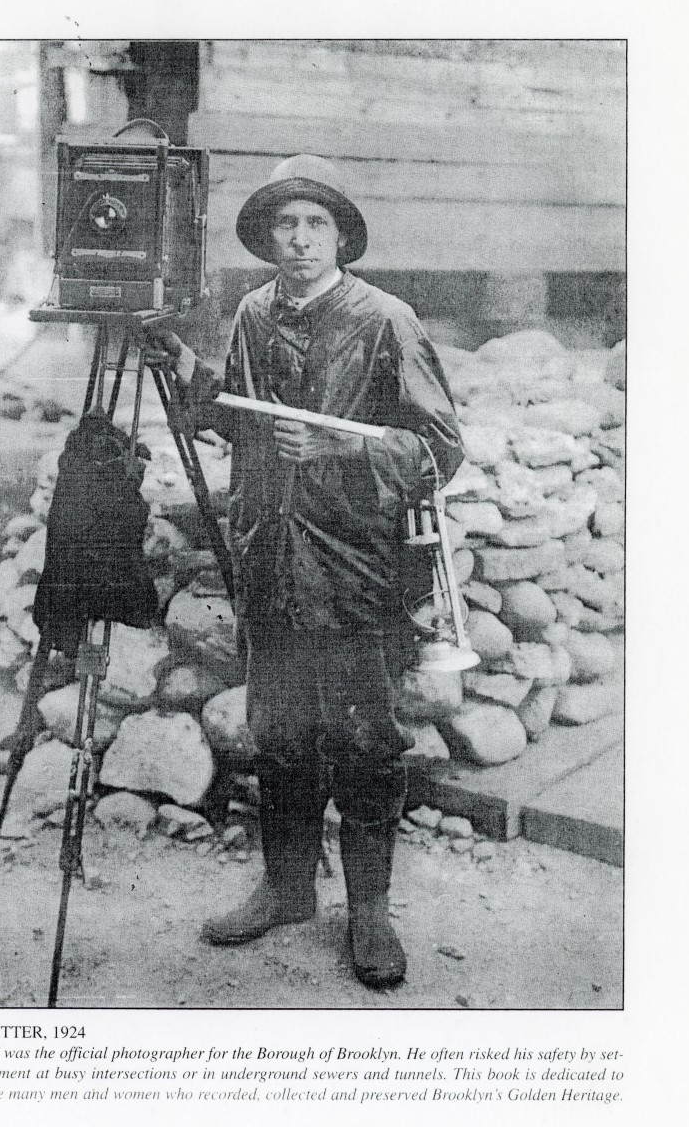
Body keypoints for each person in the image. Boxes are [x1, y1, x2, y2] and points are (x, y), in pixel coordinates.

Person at [158, 155, 464, 989]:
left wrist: (341, 443)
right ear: (268, 239)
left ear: (339, 237)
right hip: (271, 560)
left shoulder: (385, 320)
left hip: (360, 567)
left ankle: (368, 910)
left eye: (314, 225)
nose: (298, 240)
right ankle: (287, 888)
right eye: (285, 226)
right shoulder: (255, 314)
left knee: (365, 741)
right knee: (282, 736)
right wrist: (186, 376)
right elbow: (237, 413)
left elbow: (440, 448)